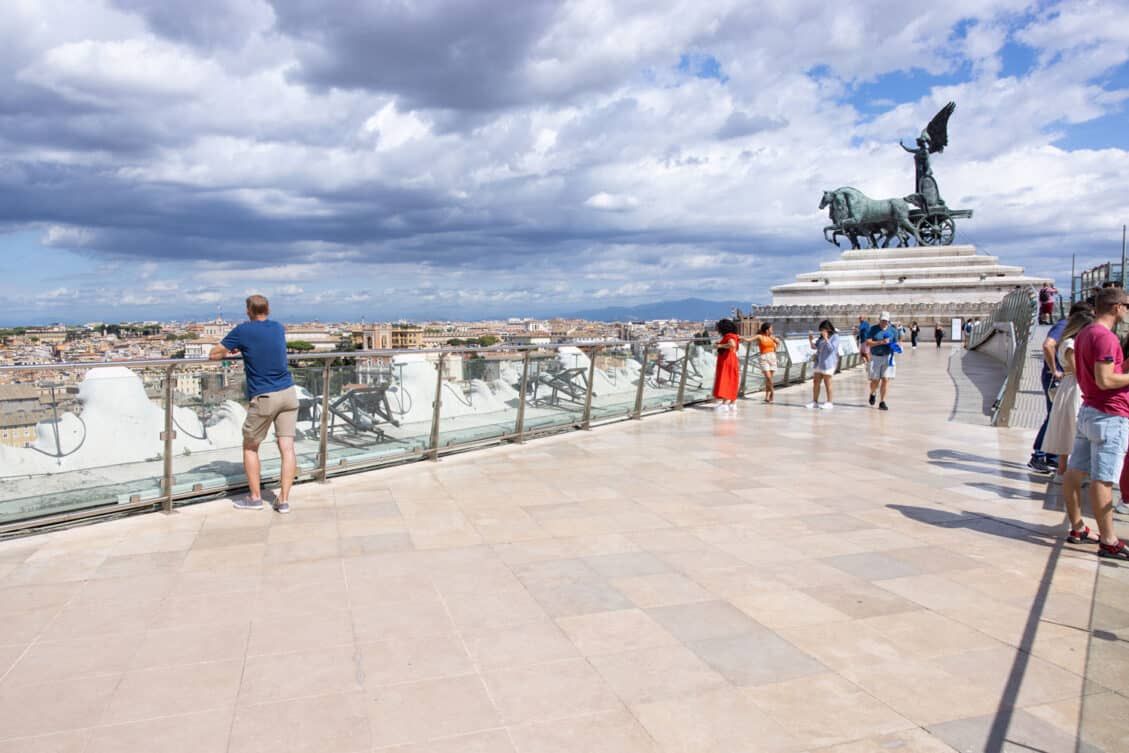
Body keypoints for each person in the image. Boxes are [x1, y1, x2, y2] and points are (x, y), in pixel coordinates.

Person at [210, 294, 299, 514]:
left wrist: (232, 348)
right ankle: (283, 501)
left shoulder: (243, 330)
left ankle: (255, 498)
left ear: (248, 311)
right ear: (268, 309)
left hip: (265, 396)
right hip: (289, 392)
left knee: (250, 446)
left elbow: (213, 354)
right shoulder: (278, 328)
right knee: (287, 448)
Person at [1061, 288, 1129, 560]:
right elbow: (1106, 380)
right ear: (1116, 307)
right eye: (1127, 305)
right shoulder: (1105, 337)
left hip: (1089, 411)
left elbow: (1091, 375)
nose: (1128, 310)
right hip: (1109, 415)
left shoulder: (1085, 334)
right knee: (1103, 479)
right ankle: (1109, 540)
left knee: (1074, 471)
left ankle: (1077, 527)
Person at [1029, 302, 1093, 475]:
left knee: (1058, 417)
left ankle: (1052, 458)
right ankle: (1039, 456)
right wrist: (1054, 369)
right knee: (1056, 418)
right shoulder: (1064, 326)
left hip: (1064, 379)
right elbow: (1048, 345)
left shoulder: (1066, 331)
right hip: (1062, 379)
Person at [865, 311, 898, 410]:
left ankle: (882, 401)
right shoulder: (873, 329)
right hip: (875, 357)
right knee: (875, 380)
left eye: (886, 321)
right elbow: (868, 343)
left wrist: (896, 347)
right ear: (879, 320)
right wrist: (881, 342)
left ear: (888, 321)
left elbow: (896, 342)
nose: (884, 322)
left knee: (885, 379)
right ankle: (872, 393)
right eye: (882, 320)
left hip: (887, 357)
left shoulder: (893, 330)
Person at [807, 320, 840, 410]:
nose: (821, 331)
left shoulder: (835, 337)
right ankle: (814, 402)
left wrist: (826, 339)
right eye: (820, 330)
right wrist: (810, 340)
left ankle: (829, 402)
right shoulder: (821, 338)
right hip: (819, 362)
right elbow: (814, 347)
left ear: (827, 329)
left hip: (828, 363)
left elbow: (831, 349)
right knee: (816, 382)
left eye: (822, 329)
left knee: (827, 382)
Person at [712, 319, 741, 412]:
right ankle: (732, 403)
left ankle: (724, 404)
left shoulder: (728, 336)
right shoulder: (734, 335)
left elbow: (732, 344)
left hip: (727, 361)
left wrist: (719, 346)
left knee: (725, 380)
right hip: (733, 360)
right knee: (732, 380)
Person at [756, 322, 782, 403]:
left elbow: (779, 343)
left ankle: (767, 396)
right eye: (771, 329)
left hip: (772, 358)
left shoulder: (772, 337)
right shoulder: (760, 336)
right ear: (767, 330)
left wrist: (775, 350)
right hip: (764, 358)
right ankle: (772, 392)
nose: (772, 330)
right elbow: (751, 339)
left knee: (768, 379)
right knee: (768, 378)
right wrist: (741, 338)